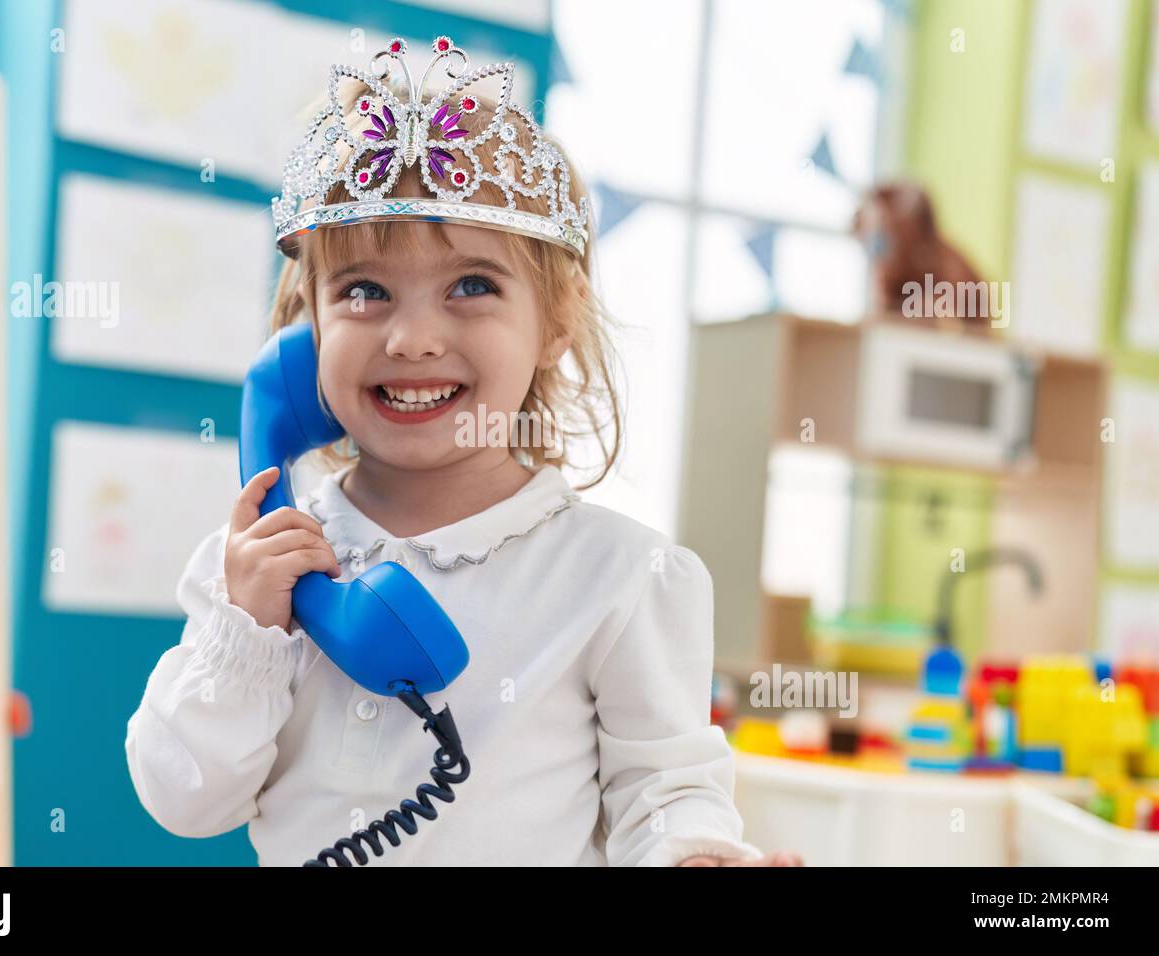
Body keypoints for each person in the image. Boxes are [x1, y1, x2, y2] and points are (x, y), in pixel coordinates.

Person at [125, 34, 800, 868]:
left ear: (556, 320)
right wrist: (251, 634)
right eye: (363, 291)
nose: (411, 338)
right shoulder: (256, 565)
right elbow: (184, 801)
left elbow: (665, 794)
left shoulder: (622, 578)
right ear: (307, 332)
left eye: (472, 286)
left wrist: (693, 854)